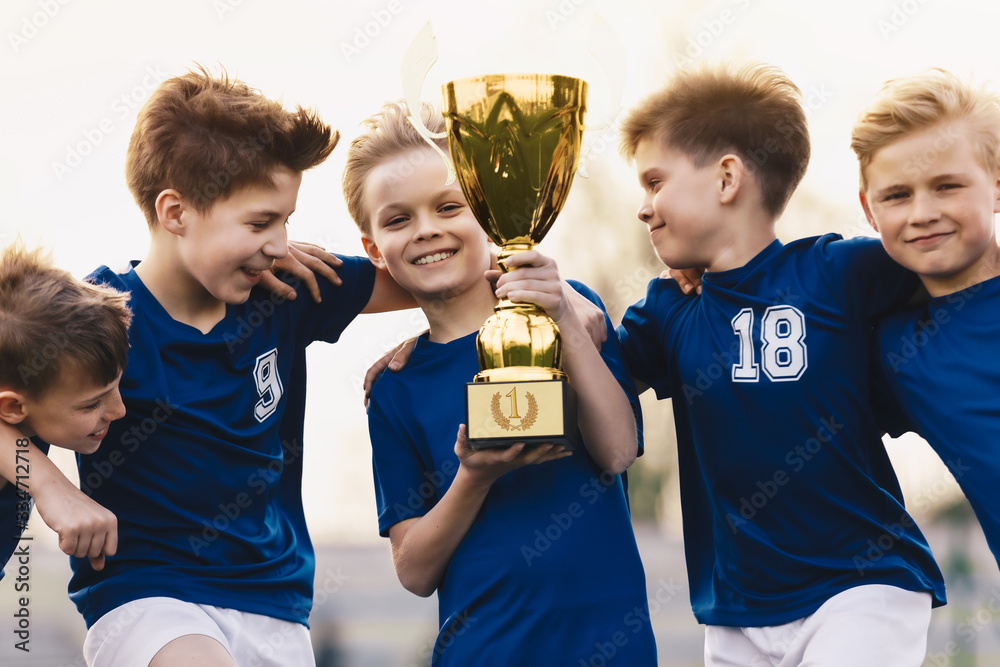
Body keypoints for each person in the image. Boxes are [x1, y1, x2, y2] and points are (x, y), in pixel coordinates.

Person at [63, 66, 414, 667]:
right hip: (150, 602)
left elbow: (437, 277)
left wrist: (439, 336)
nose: (279, 243)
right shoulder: (97, 316)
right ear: (175, 212)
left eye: (286, 221)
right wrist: (51, 490)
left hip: (276, 607)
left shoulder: (287, 289)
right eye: (258, 222)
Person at [615, 63, 945, 666]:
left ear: (727, 178)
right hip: (738, 612)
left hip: (861, 587)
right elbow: (595, 387)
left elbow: (958, 267)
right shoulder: (665, 311)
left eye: (654, 181)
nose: (644, 206)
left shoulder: (836, 273)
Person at [346, 100, 657, 666]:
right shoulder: (395, 387)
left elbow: (617, 451)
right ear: (374, 250)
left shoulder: (570, 310)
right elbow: (414, 570)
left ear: (488, 215)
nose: (428, 230)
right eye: (398, 219)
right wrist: (473, 477)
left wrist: (564, 316)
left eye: (449, 205)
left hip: (612, 646)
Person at [853, 68, 1000, 568]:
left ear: (997, 187)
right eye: (897, 195)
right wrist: (714, 265)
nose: (922, 212)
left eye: (947, 186)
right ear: (869, 211)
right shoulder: (897, 351)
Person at [0, 242, 130, 577]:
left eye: (117, 387)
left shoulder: (26, 427)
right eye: (92, 403)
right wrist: (48, 484)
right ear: (12, 406)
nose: (119, 410)